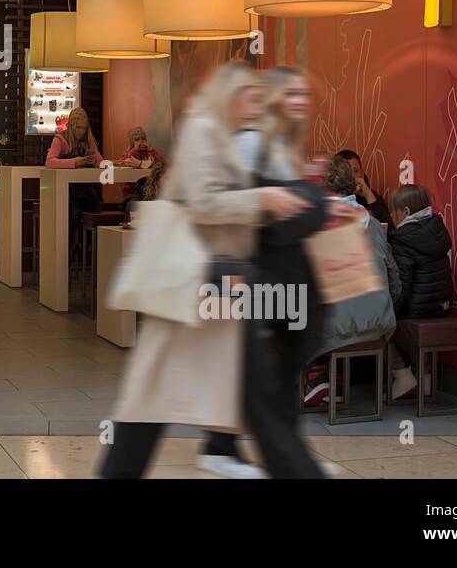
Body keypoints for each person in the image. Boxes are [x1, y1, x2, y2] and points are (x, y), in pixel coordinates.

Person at [100, 62, 309, 479]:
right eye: (249, 96)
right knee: (154, 395)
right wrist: (263, 199)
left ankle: (224, 451)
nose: (257, 105)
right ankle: (250, 456)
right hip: (194, 278)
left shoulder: (228, 136)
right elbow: (204, 203)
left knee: (156, 394)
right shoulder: (204, 129)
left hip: (211, 282)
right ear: (229, 95)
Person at [241, 65, 331, 479]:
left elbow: (296, 216)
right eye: (290, 93)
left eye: (304, 93)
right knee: (264, 406)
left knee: (277, 402)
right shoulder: (252, 145)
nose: (300, 100)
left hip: (293, 294)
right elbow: (265, 223)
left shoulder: (286, 150)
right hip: (261, 292)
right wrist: (313, 202)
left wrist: (307, 201)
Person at [301, 156, 401, 408]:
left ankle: (317, 380)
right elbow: (393, 277)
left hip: (336, 327)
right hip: (380, 323)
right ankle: (330, 378)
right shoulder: (376, 226)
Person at [386, 183, 454, 398]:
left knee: (381, 325)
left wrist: (390, 313)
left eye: (393, 211)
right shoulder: (437, 230)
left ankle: (403, 375)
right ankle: (424, 377)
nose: (391, 216)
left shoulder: (403, 238)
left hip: (418, 308)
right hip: (442, 306)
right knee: (410, 318)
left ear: (405, 211)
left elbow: (403, 287)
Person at [45, 107, 104, 251]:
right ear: (71, 125)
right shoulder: (60, 139)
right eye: (78, 127)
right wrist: (75, 162)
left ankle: (86, 249)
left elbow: (101, 163)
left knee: (98, 216)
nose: (81, 131)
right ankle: (66, 250)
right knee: (72, 216)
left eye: (84, 128)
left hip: (86, 191)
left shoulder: (89, 140)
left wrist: (94, 160)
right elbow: (50, 162)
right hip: (67, 193)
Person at [335, 149, 391, 227]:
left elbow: (388, 231)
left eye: (356, 171)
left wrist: (368, 194)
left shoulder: (373, 198)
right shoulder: (331, 202)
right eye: (346, 173)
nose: (352, 177)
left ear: (362, 173)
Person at [117, 126, 164, 207]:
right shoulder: (129, 153)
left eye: (143, 139)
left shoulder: (150, 152)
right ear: (132, 142)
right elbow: (122, 162)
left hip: (149, 190)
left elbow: (162, 163)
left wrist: (152, 150)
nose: (141, 142)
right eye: (137, 140)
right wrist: (134, 150)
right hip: (131, 192)